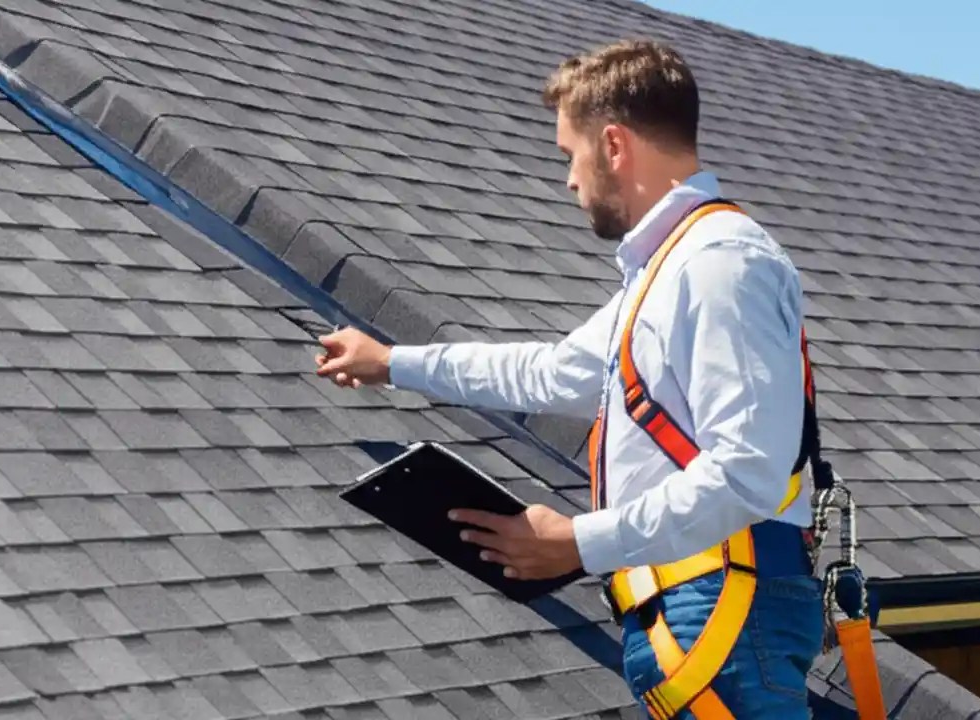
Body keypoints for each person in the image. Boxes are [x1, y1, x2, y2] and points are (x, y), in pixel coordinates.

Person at [314, 39, 825, 719]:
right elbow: (552, 374)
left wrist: (577, 544)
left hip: (724, 612)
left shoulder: (718, 265)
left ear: (613, 145)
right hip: (706, 613)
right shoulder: (671, 270)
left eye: (569, 155)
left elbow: (747, 473)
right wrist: (392, 363)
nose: (569, 180)